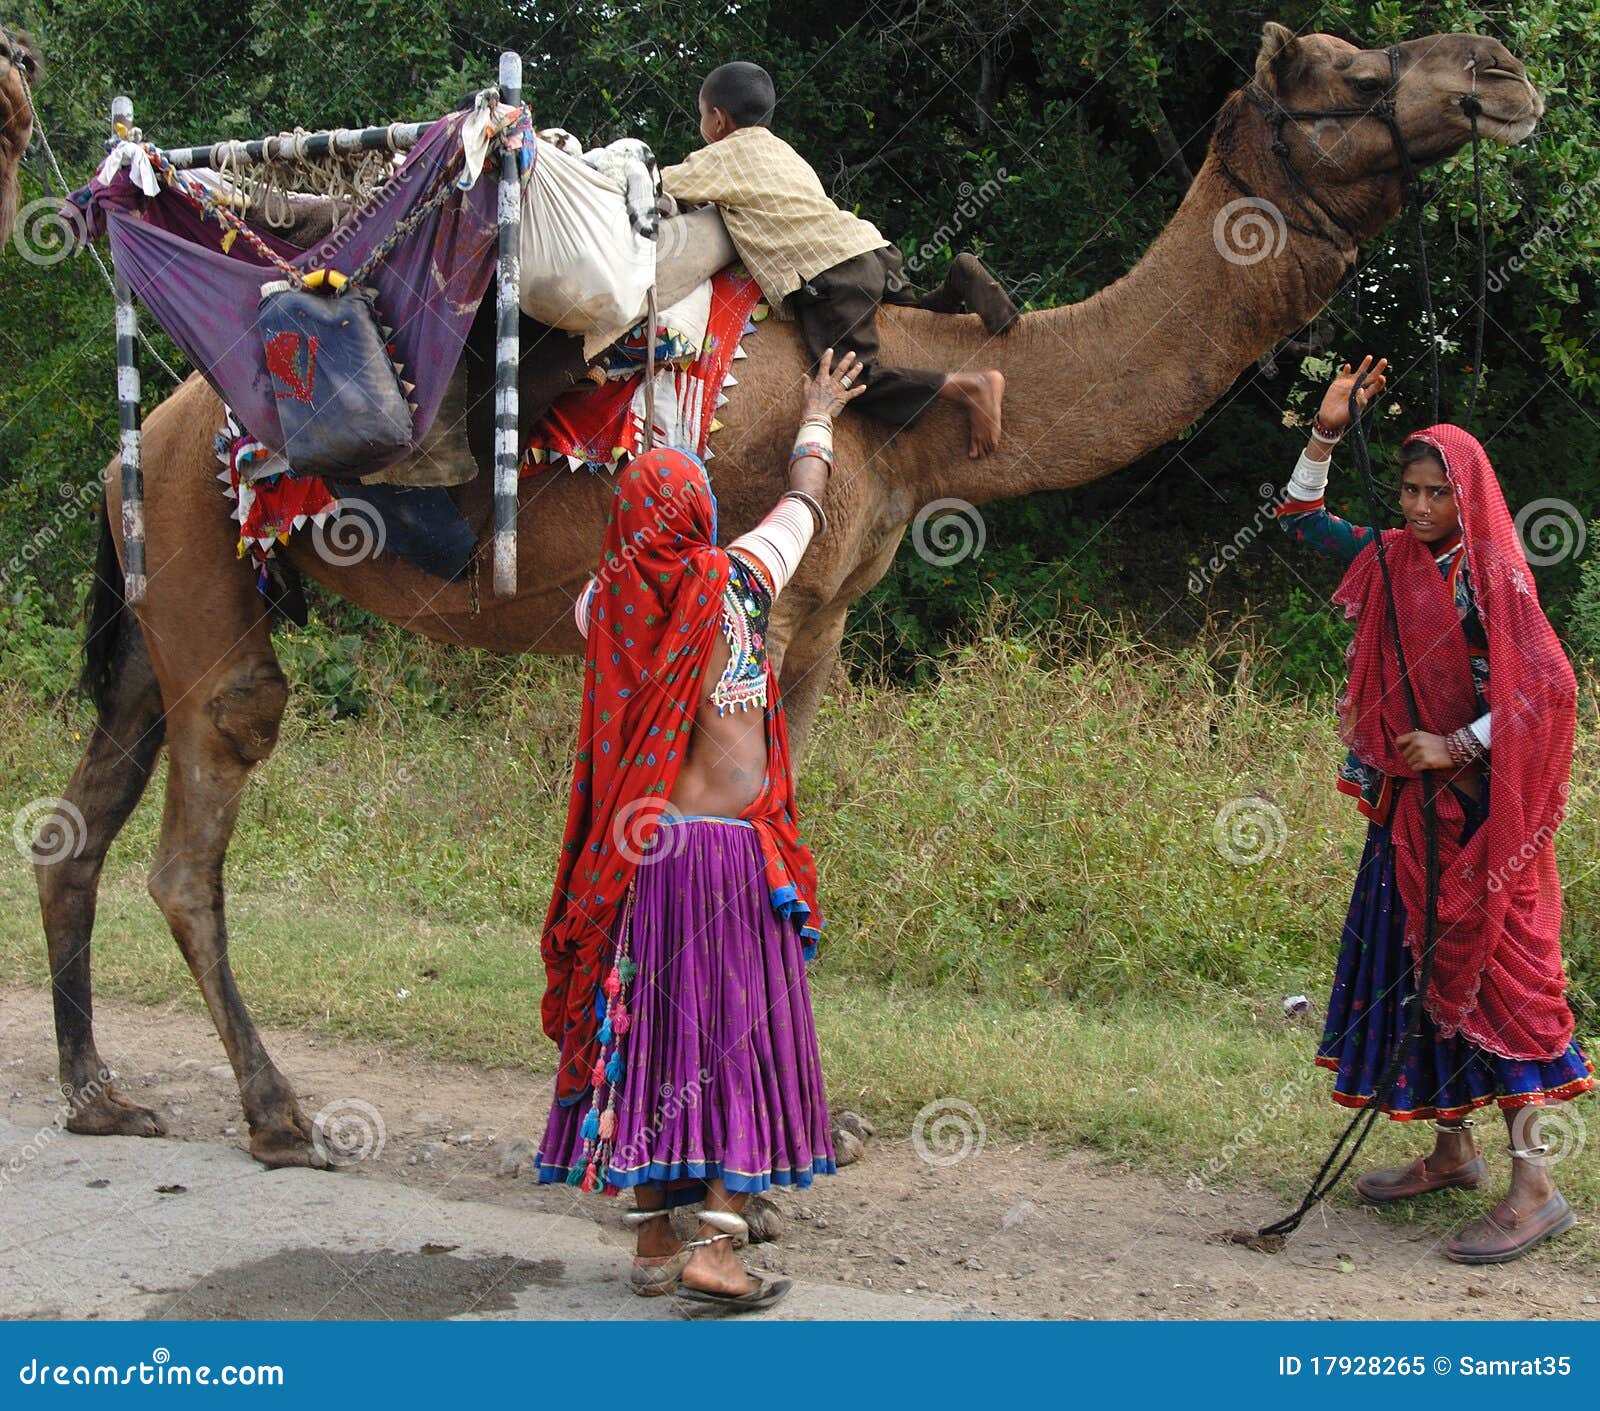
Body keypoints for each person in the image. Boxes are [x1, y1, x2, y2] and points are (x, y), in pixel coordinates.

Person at [534, 349, 866, 1313]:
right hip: (725, 861)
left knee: (643, 1034)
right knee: (728, 1040)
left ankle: (649, 1238)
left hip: (642, 860)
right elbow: (805, 504)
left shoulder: (602, 607)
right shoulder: (736, 581)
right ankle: (717, 1250)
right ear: (701, 518)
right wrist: (818, 413)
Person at [1278, 355, 1593, 1264]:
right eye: (1408, 491)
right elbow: (1301, 520)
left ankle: (1534, 1185)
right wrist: (1328, 431)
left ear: (1468, 498)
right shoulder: (1390, 562)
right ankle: (1453, 1151)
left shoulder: (1495, 582)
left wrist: (1457, 745)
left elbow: (1548, 691)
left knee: (1495, 982)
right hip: (1406, 824)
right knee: (1412, 977)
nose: (1415, 508)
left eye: (1432, 494)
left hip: (1483, 829)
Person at [660, 60, 1010, 459]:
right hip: (871, 250)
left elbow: (663, 184)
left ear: (717, 120)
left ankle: (971, 386)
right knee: (911, 316)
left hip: (832, 275)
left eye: (702, 115)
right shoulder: (783, 151)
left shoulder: (721, 155)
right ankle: (955, 282)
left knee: (850, 379)